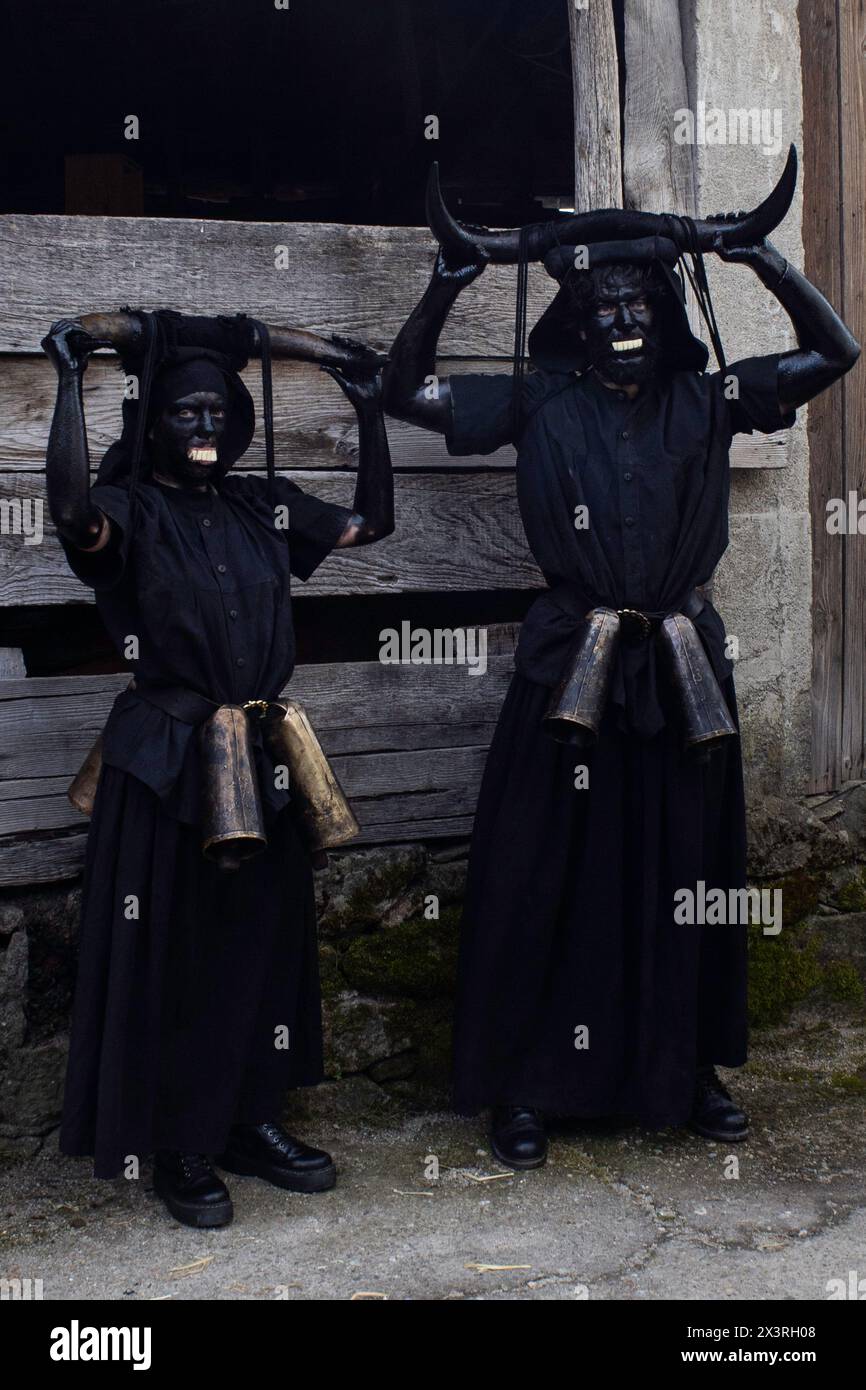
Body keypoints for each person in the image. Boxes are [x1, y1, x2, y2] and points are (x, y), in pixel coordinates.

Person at [384, 214, 859, 1169]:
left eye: (641, 298)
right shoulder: (537, 405)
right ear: (578, 321)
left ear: (667, 309)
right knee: (546, 873)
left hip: (682, 674)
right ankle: (528, 1085)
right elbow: (403, 392)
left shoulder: (710, 396)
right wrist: (446, 282)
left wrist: (761, 257)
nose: (625, 316)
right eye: (604, 304)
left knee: (685, 869)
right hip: (573, 670)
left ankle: (683, 1073)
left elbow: (834, 350)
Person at [43, 310, 393, 1225]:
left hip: (263, 763)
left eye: (214, 413)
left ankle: (249, 1118)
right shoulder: (126, 511)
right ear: (153, 424)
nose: (201, 427)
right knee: (179, 953)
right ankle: (180, 1144)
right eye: (182, 413)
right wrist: (71, 391)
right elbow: (72, 514)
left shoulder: (260, 505)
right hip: (167, 769)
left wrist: (370, 413)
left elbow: (371, 524)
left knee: (261, 946)